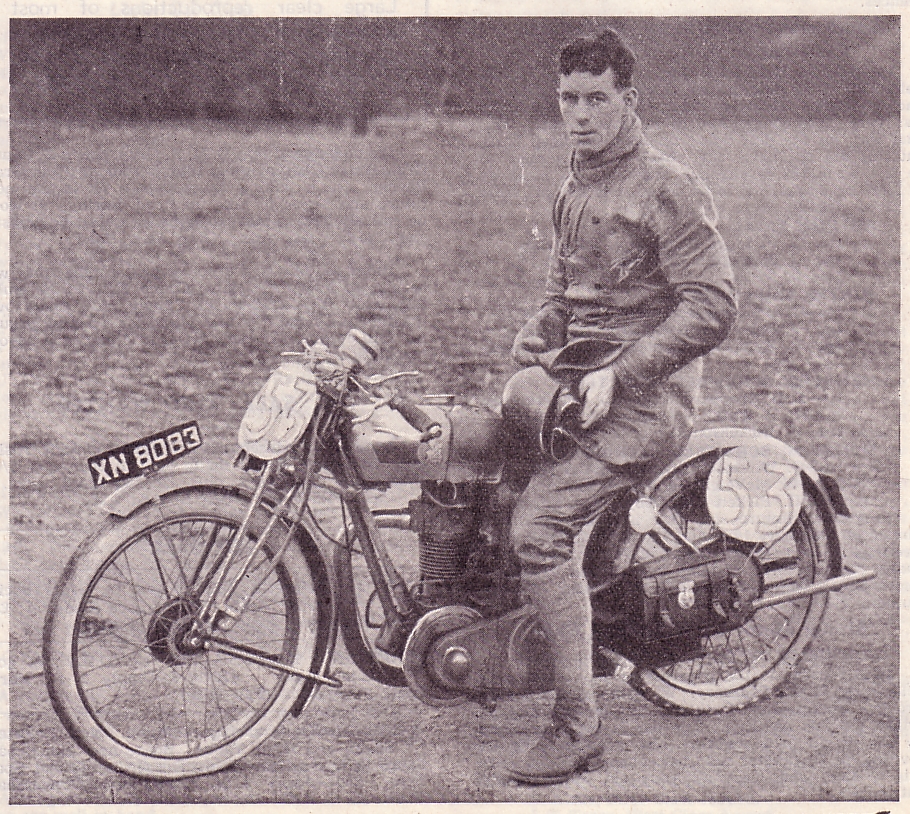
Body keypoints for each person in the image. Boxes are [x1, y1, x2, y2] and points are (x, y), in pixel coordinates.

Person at [505, 28, 737, 784]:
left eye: (595, 98)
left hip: (646, 403)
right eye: (567, 99)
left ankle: (579, 725)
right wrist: (538, 332)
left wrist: (626, 370)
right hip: (577, 386)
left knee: (537, 529)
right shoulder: (573, 185)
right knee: (476, 463)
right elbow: (562, 296)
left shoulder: (669, 185)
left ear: (627, 100)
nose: (579, 114)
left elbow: (713, 307)